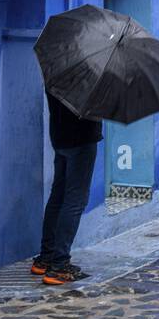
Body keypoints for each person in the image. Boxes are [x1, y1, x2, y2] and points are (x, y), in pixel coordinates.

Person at [32, 92, 102, 285]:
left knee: (58, 196)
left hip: (60, 137)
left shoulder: (57, 68)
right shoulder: (90, 79)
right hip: (82, 139)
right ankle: (59, 265)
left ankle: (45, 258)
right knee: (75, 200)